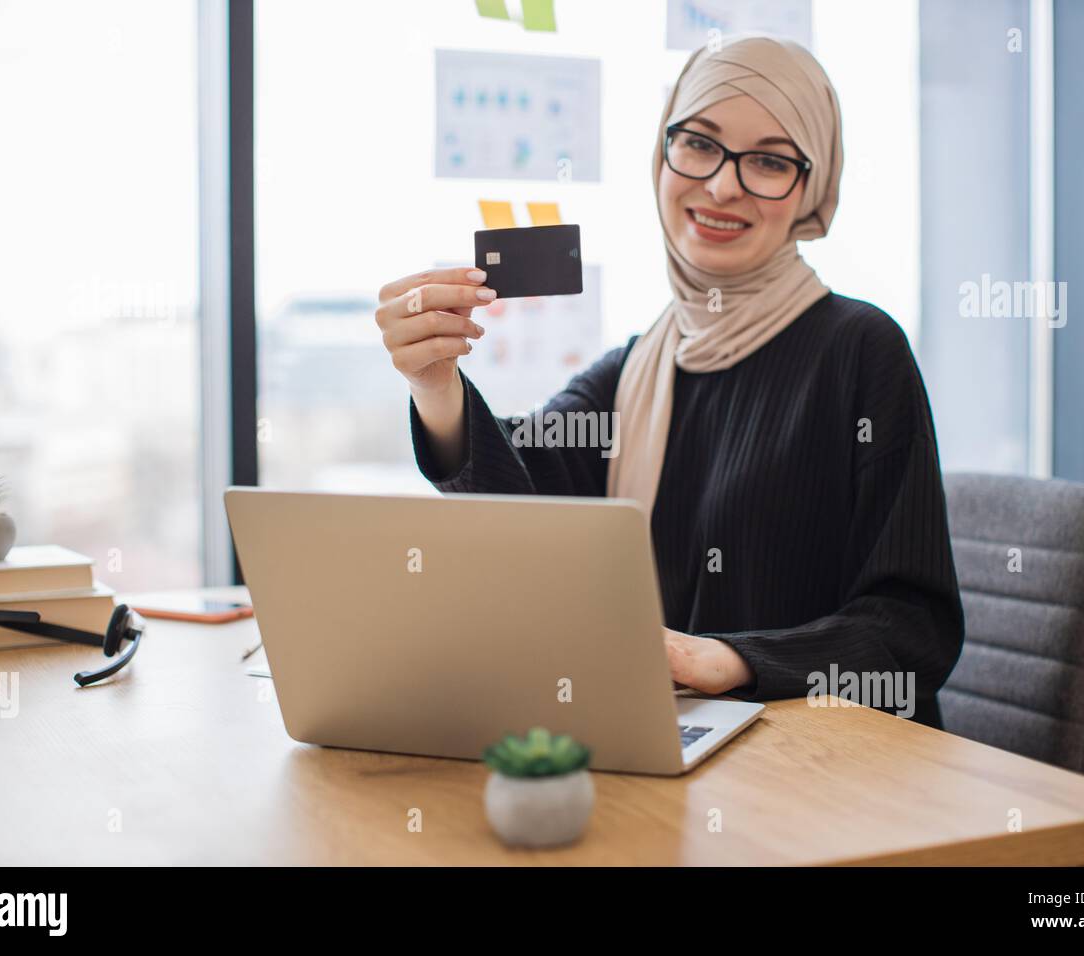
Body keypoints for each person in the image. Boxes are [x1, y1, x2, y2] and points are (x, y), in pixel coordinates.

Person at [374, 35, 963, 727]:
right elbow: (521, 499)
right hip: (669, 753)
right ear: (663, 155)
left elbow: (912, 629)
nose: (721, 185)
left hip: (827, 777)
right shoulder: (641, 368)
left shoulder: (861, 351)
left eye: (769, 161)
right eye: (700, 144)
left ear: (811, 191)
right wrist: (436, 387)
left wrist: (726, 661)